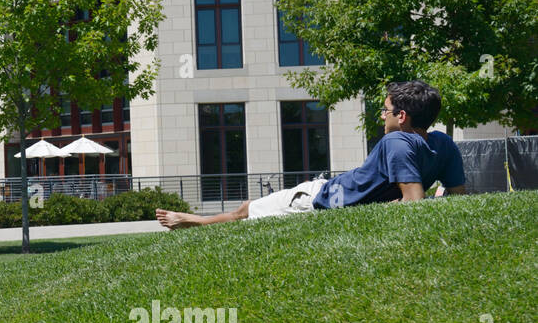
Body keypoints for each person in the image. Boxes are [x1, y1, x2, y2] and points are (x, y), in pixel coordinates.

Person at [156, 81, 466, 229]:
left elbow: (414, 205)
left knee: (246, 210)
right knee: (247, 210)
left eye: (384, 111)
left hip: (322, 199)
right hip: (323, 192)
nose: (380, 116)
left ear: (401, 116)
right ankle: (193, 220)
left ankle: (189, 219)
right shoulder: (444, 144)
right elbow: (456, 197)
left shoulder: (396, 141)